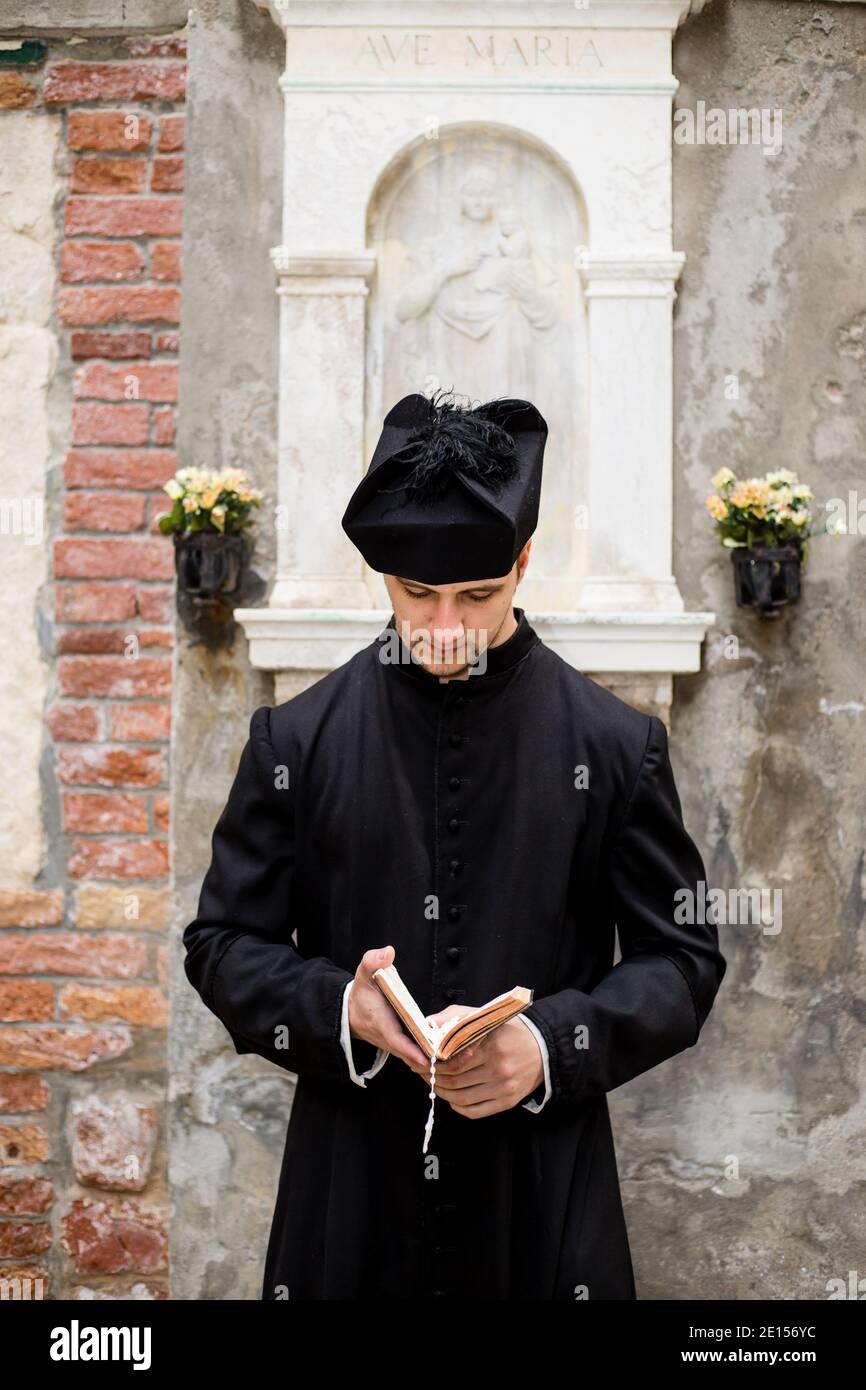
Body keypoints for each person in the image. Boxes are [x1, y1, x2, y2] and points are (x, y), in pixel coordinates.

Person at [182, 389, 726, 1300]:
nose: (443, 630)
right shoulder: (297, 742)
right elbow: (220, 946)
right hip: (350, 1197)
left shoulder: (615, 746)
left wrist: (552, 1044)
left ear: (520, 563)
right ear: (382, 579)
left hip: (543, 1196)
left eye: (477, 595)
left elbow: (683, 958)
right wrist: (340, 1009)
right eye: (416, 595)